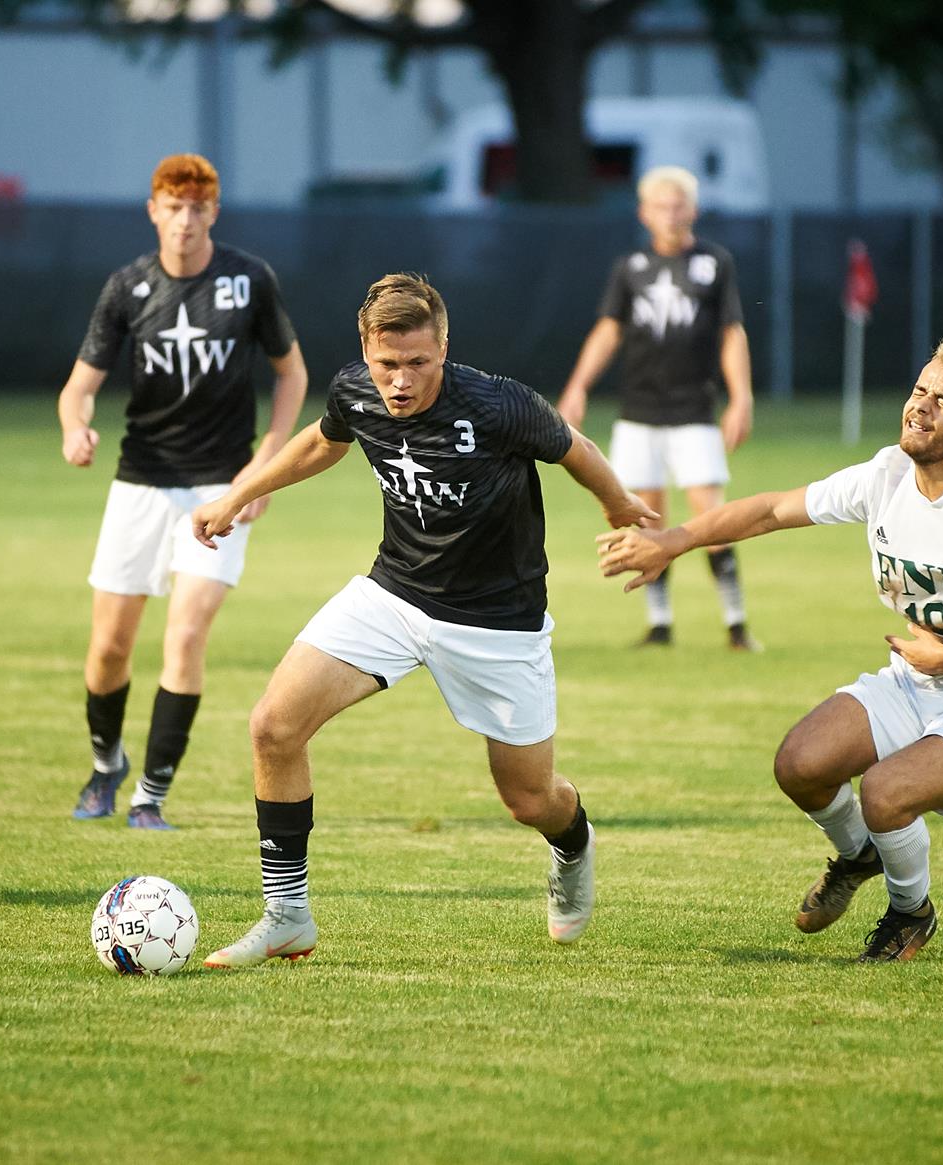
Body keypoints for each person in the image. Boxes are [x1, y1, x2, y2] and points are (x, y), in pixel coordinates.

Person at [190, 273, 655, 968]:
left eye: (417, 363)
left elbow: (576, 449)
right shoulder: (354, 389)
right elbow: (325, 440)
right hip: (394, 594)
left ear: (443, 347)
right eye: (387, 364)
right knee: (273, 725)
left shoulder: (499, 404)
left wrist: (619, 507)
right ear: (366, 350)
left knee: (529, 798)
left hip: (499, 622)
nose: (400, 382)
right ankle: (287, 914)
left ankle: (573, 842)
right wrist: (239, 495)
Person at [598, 338, 943, 962]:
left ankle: (911, 914)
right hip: (917, 680)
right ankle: (861, 855)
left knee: (885, 792)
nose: (921, 409)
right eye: (919, 392)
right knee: (800, 763)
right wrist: (675, 539)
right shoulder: (887, 476)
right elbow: (770, 510)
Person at [57, 153, 309, 830]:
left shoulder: (248, 280)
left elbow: (292, 374)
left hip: (221, 487)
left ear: (214, 213)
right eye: (174, 206)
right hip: (141, 480)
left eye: (199, 207)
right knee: (110, 646)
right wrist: (74, 428)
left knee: (187, 633)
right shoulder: (127, 287)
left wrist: (266, 463)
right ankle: (107, 765)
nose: (187, 220)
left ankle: (152, 795)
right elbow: (79, 388)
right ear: (154, 211)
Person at [557, 165, 759, 651]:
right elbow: (609, 330)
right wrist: (578, 386)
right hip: (639, 411)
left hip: (693, 409)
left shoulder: (714, 263)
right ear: (644, 213)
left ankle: (735, 623)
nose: (670, 215)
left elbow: (732, 331)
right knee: (647, 517)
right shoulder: (631, 268)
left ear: (693, 209)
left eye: (678, 205)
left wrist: (742, 396)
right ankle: (660, 623)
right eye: (660, 206)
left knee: (710, 515)